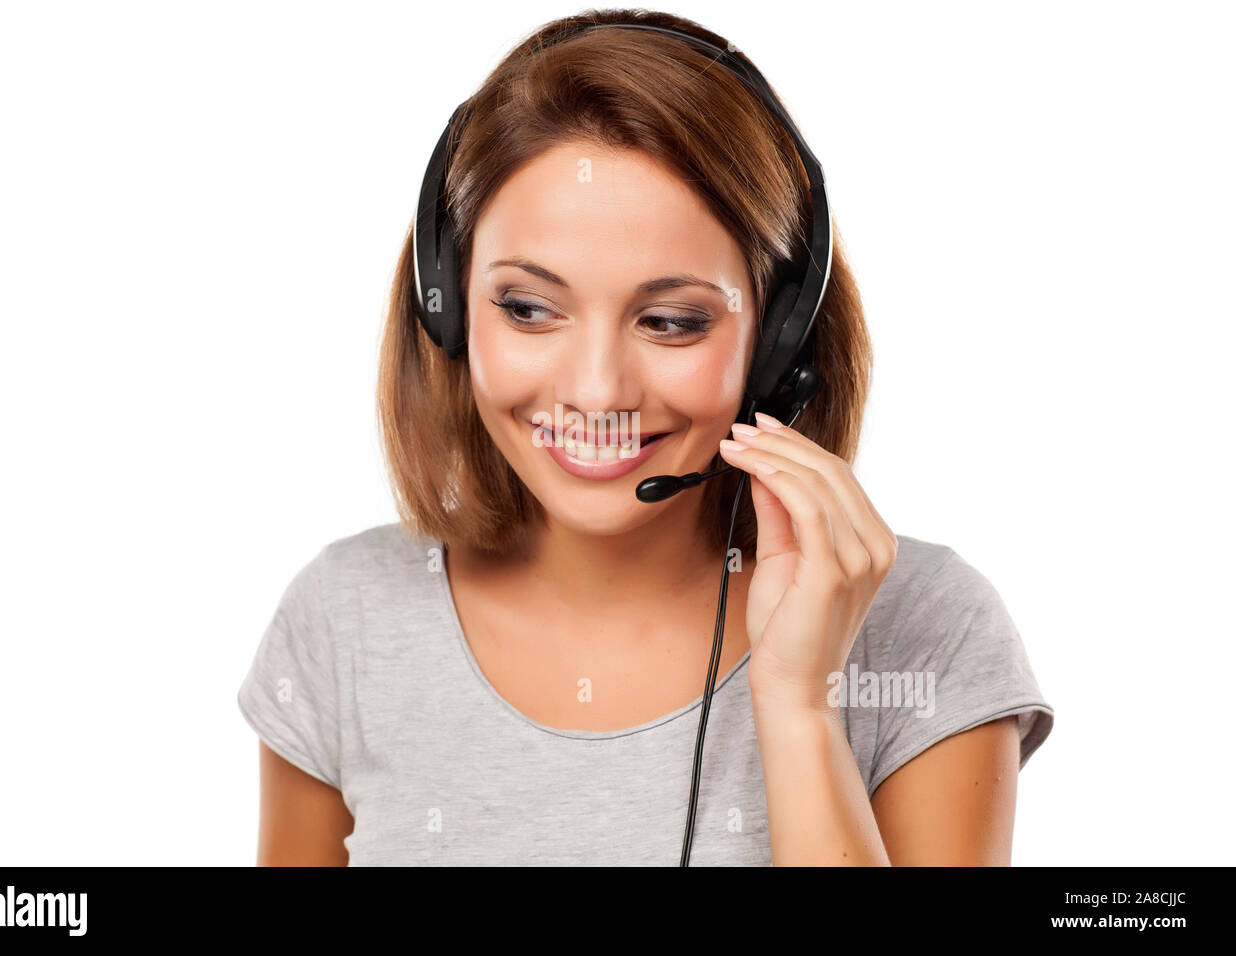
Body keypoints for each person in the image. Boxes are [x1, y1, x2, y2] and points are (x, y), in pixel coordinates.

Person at [237, 9, 1054, 866]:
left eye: (670, 321)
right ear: (446, 304)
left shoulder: (926, 630)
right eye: (527, 308)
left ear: (779, 343)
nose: (596, 390)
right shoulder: (344, 621)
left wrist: (799, 707)